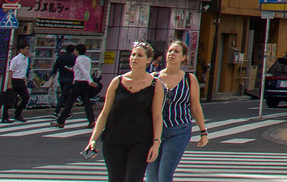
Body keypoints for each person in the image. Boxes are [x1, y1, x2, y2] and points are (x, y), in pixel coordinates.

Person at [83, 42, 158, 182]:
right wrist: (93, 139)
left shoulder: (155, 84)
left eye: (140, 55)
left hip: (141, 141)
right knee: (115, 179)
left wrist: (156, 142)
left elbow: (157, 116)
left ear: (148, 60)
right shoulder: (117, 81)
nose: (134, 58)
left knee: (133, 179)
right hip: (113, 139)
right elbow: (105, 112)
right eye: (133, 55)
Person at [145, 40, 206, 182]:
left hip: (179, 129)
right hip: (153, 131)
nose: (172, 54)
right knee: (151, 176)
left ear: (183, 57)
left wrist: (203, 131)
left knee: (164, 174)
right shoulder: (153, 78)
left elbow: (195, 107)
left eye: (176, 52)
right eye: (170, 51)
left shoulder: (189, 79)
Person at [51, 44, 78, 125]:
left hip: (61, 78)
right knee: (64, 95)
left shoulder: (60, 57)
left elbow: (55, 68)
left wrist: (52, 79)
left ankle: (67, 111)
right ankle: (56, 111)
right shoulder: (75, 58)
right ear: (73, 51)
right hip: (70, 79)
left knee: (65, 94)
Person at [5, 39, 31, 123]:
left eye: (28, 48)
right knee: (9, 99)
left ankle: (18, 113)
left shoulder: (26, 59)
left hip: (21, 81)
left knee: (26, 97)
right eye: (26, 49)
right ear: (21, 50)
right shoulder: (15, 59)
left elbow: (24, 70)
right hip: (15, 80)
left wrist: (25, 80)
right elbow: (10, 71)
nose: (27, 50)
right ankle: (5, 116)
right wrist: (9, 83)